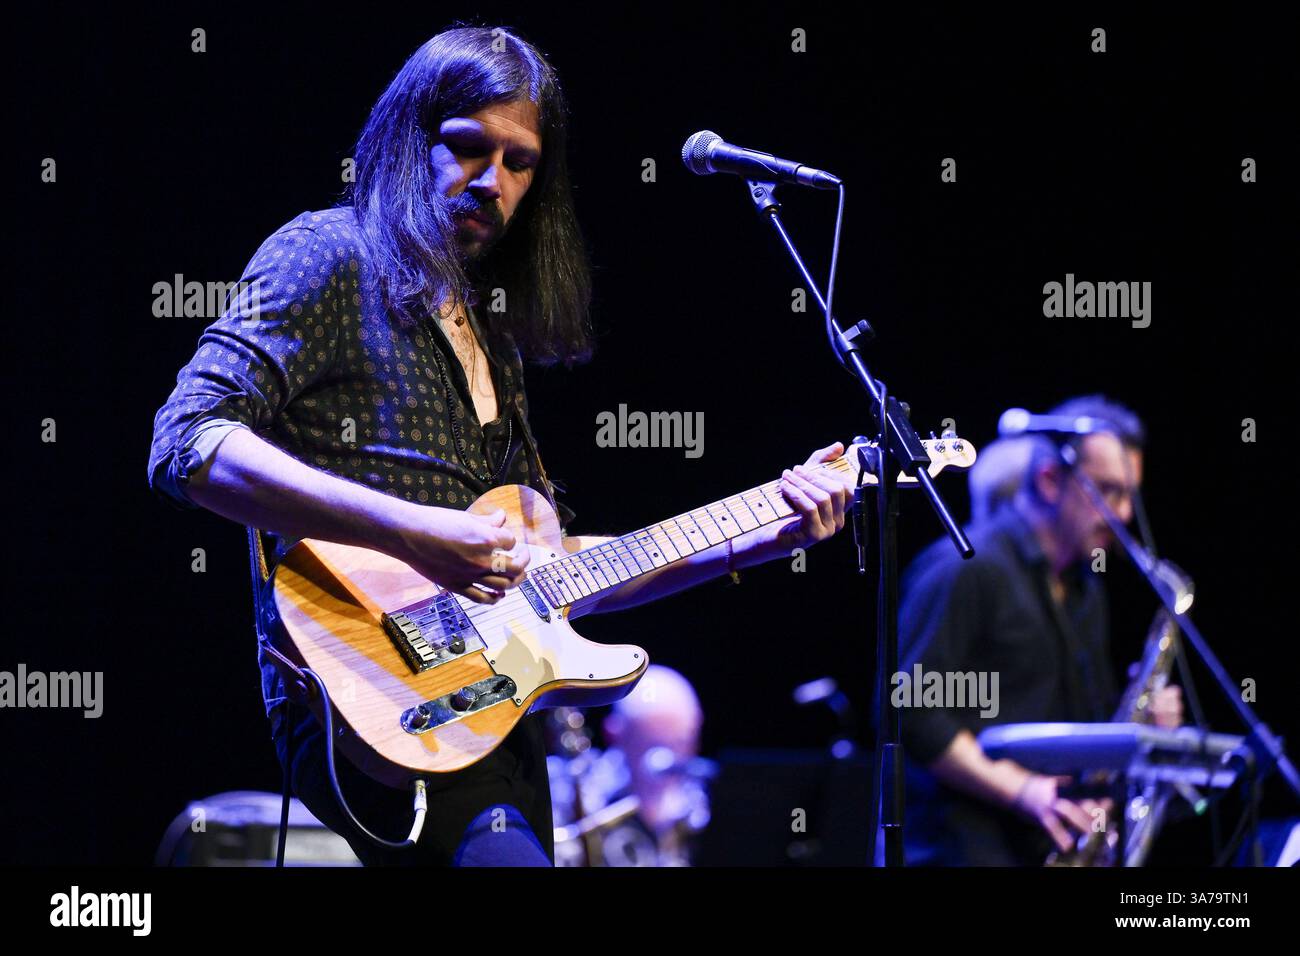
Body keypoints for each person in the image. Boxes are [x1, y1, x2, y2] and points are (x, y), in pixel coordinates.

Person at [147, 26, 855, 866]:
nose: (494, 182)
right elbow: (187, 441)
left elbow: (550, 571)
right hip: (373, 695)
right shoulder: (326, 254)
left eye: (521, 163)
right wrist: (415, 533)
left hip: (497, 715)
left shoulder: (495, 334)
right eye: (468, 148)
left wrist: (758, 536)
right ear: (412, 141)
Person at [897, 396, 1183, 865]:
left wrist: (1140, 725)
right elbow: (910, 712)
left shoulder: (1086, 589)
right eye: (1109, 491)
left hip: (1042, 848)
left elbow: (1078, 728)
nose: (1124, 515)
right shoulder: (967, 567)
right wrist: (1023, 789)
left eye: (1131, 495)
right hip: (964, 849)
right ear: (1050, 481)